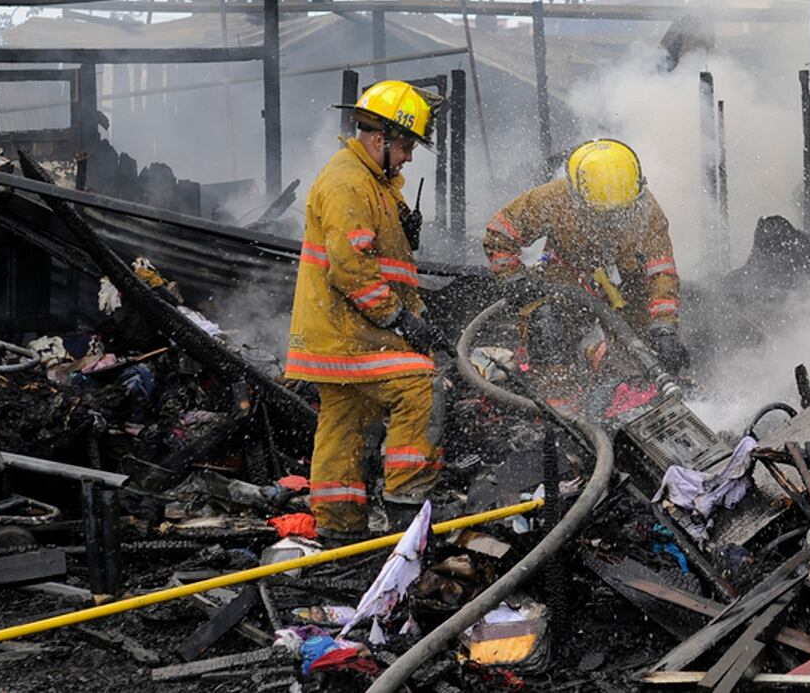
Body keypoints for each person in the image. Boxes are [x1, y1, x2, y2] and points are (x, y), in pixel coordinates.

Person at [285, 80, 445, 544]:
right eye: (406, 146)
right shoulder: (348, 183)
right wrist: (400, 319)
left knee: (345, 421)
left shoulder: (372, 181)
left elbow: (381, 259)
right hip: (353, 333)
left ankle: (339, 528)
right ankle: (406, 507)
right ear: (380, 139)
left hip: (342, 332)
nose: (409, 157)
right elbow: (353, 268)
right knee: (421, 385)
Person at [483, 138, 689, 374]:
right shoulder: (553, 199)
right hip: (563, 281)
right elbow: (500, 232)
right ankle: (557, 389)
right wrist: (512, 278)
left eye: (622, 213)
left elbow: (661, 273)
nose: (613, 223)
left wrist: (664, 326)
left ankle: (617, 372)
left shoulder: (648, 210)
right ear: (576, 197)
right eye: (603, 215)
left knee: (644, 352)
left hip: (626, 285)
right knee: (549, 328)